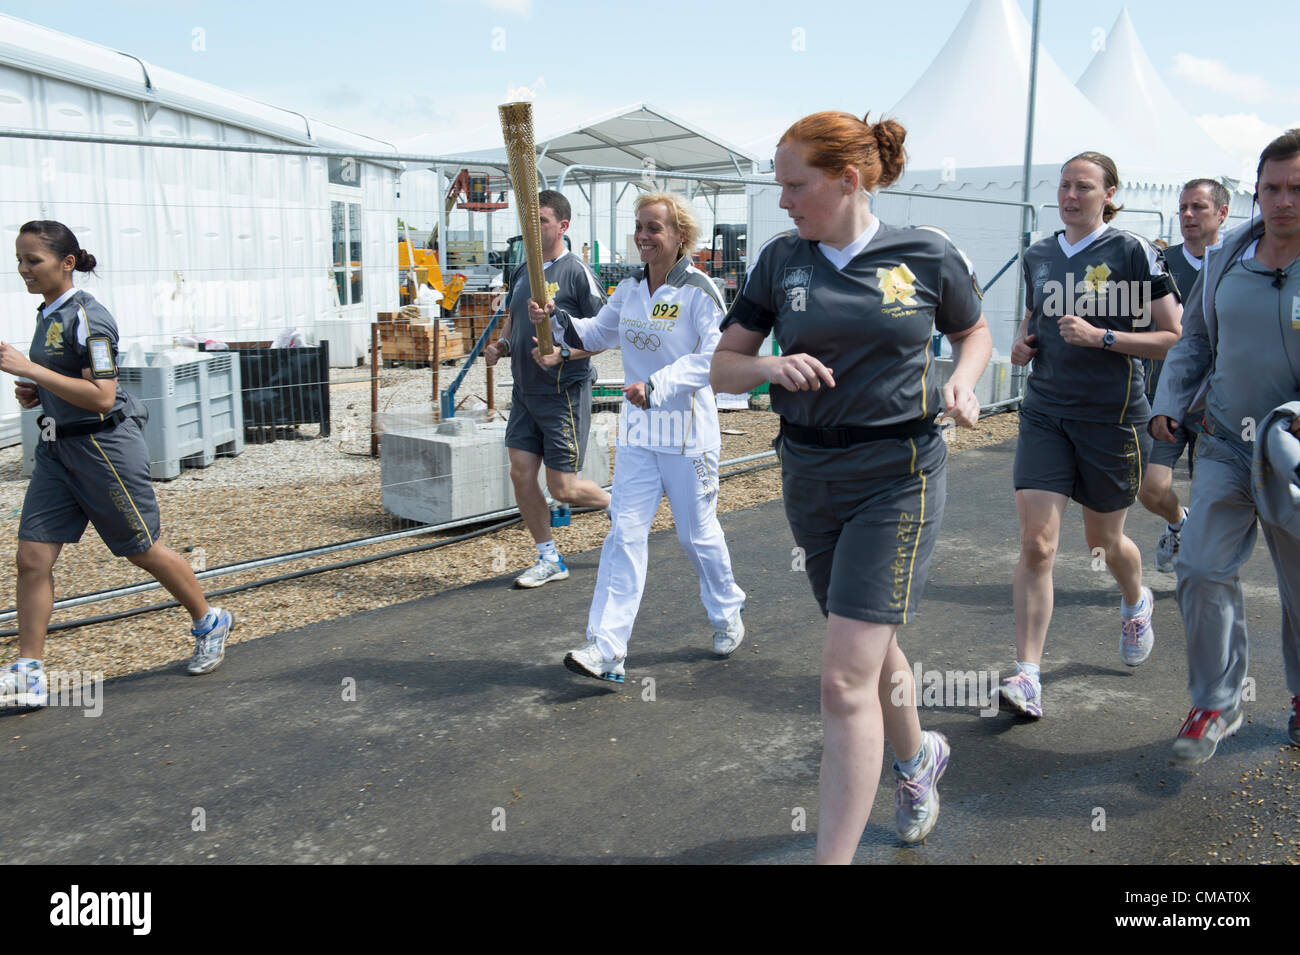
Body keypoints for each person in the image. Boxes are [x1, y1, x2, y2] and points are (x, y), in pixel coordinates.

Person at [710, 111, 992, 862]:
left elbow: (975, 332)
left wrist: (963, 384)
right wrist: (769, 366)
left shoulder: (925, 253)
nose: (783, 201)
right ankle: (918, 758)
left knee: (842, 678)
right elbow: (721, 365)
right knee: (866, 641)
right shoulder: (781, 262)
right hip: (808, 472)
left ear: (849, 180)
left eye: (796, 185)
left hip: (897, 474)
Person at [1, 221, 234, 707]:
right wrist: (35, 391)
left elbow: (104, 397)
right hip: (57, 450)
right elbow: (65, 379)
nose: (23, 269)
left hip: (103, 449)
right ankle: (28, 671)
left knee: (141, 549)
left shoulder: (90, 317)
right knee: (31, 558)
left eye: (33, 261)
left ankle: (209, 620)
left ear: (67, 264)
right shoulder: (48, 311)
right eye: (20, 260)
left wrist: (29, 369)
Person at [529, 192, 746, 683]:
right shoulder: (628, 288)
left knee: (695, 536)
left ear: (679, 236)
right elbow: (595, 334)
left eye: (655, 228)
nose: (644, 237)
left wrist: (658, 385)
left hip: (688, 434)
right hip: (640, 434)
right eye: (640, 227)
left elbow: (715, 358)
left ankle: (726, 607)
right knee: (624, 532)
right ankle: (606, 648)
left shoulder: (699, 290)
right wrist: (556, 322)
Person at [1004, 151, 1182, 718]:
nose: (1070, 195)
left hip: (1112, 418)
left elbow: (1173, 334)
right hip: (1045, 413)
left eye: (1084, 186)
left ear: (1109, 194)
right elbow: (1033, 317)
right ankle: (1028, 676)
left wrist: (1103, 338)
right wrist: (1022, 342)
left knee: (1103, 544)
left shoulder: (1133, 251)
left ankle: (1135, 600)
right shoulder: (1038, 253)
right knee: (1038, 543)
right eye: (1064, 185)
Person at [1152, 130, 1300, 763]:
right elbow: (1194, 342)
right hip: (1225, 444)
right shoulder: (1227, 259)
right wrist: (1168, 405)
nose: (1285, 201)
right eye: (1273, 188)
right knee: (1201, 566)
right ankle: (1219, 699)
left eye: (1298, 189)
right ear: (1256, 192)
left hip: (1294, 457)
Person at [483, 190, 612, 588]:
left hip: (563, 394)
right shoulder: (523, 271)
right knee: (521, 474)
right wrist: (503, 345)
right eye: (529, 221)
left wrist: (565, 353)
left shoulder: (576, 272)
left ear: (563, 226)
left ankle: (620, 506)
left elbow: (607, 332)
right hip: (525, 393)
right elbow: (512, 318)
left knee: (564, 487)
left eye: (540, 220)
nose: (533, 228)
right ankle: (549, 558)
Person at [1137, 178, 1230, 572]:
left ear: (1222, 213)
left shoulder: (1236, 264)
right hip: (1164, 402)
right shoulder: (1158, 264)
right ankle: (1179, 523)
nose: (1188, 216)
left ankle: (1207, 573)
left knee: (1216, 499)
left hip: (1218, 408)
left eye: (1198, 207)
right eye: (1183, 208)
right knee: (1151, 489)